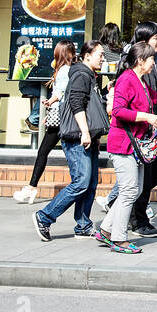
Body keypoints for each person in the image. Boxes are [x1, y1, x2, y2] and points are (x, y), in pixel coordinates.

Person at [95, 41, 157, 254]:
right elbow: (118, 111)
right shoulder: (127, 79)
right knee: (130, 190)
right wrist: (147, 117)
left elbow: (156, 98)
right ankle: (119, 238)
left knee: (133, 190)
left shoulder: (139, 80)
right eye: (151, 59)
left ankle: (106, 229)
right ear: (140, 60)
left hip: (133, 146)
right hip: (123, 145)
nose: (153, 63)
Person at [32, 41, 109, 241]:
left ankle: (83, 224)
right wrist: (85, 131)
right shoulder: (82, 74)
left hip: (87, 136)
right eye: (100, 54)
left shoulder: (89, 75)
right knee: (82, 182)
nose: (103, 58)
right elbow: (76, 103)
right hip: (77, 137)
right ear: (87, 55)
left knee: (90, 183)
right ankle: (44, 216)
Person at [14, 40, 76, 205]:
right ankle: (32, 187)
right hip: (62, 116)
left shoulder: (64, 70)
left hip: (60, 117)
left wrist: (50, 102)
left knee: (44, 152)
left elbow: (61, 93)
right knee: (69, 153)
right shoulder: (67, 69)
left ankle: (32, 187)